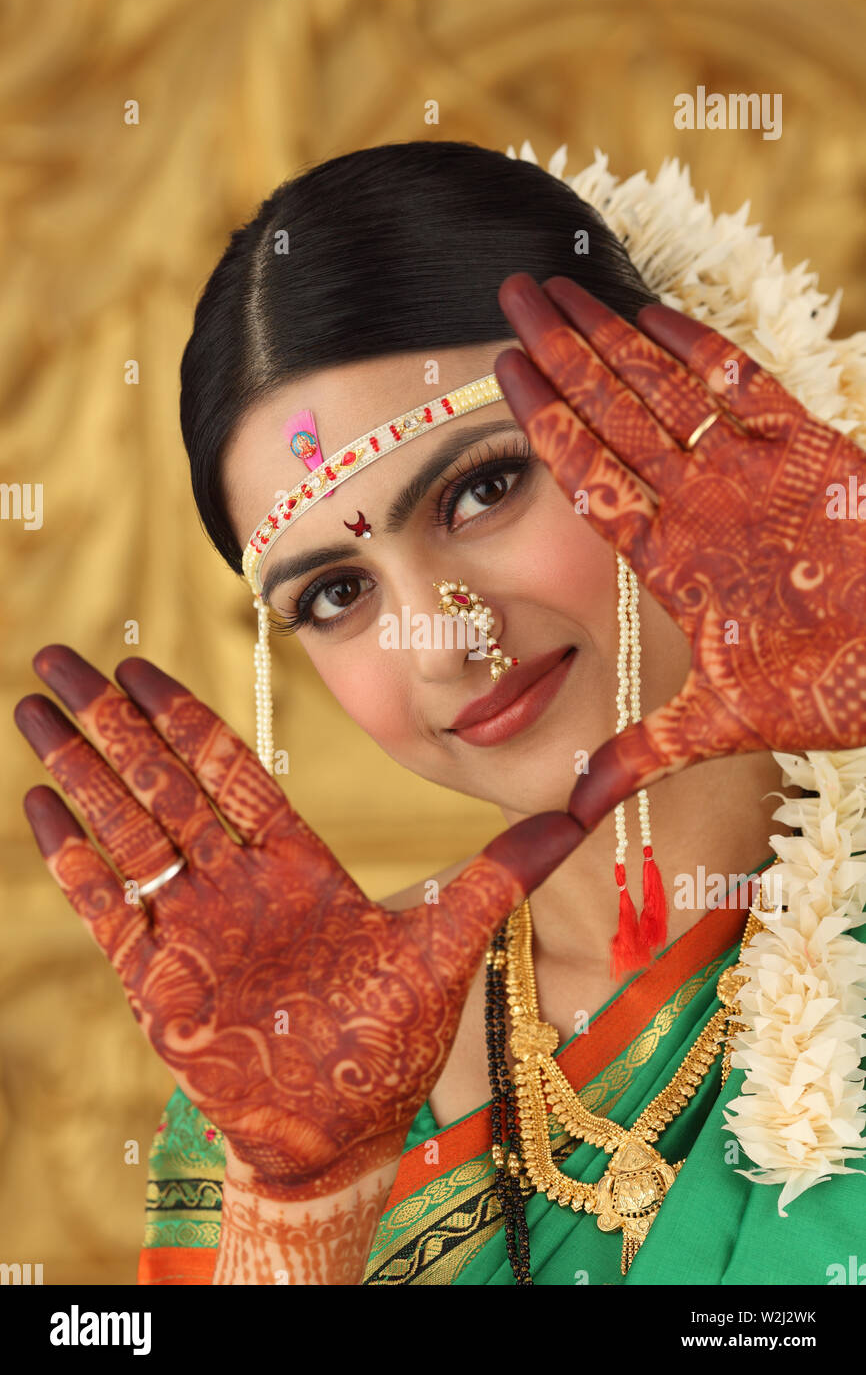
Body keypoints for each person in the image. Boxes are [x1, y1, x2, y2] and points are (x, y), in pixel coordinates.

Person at [14, 141, 866, 1287]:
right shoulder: (293, 1071)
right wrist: (305, 1217)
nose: (441, 636)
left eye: (482, 488)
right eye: (335, 594)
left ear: (672, 418)